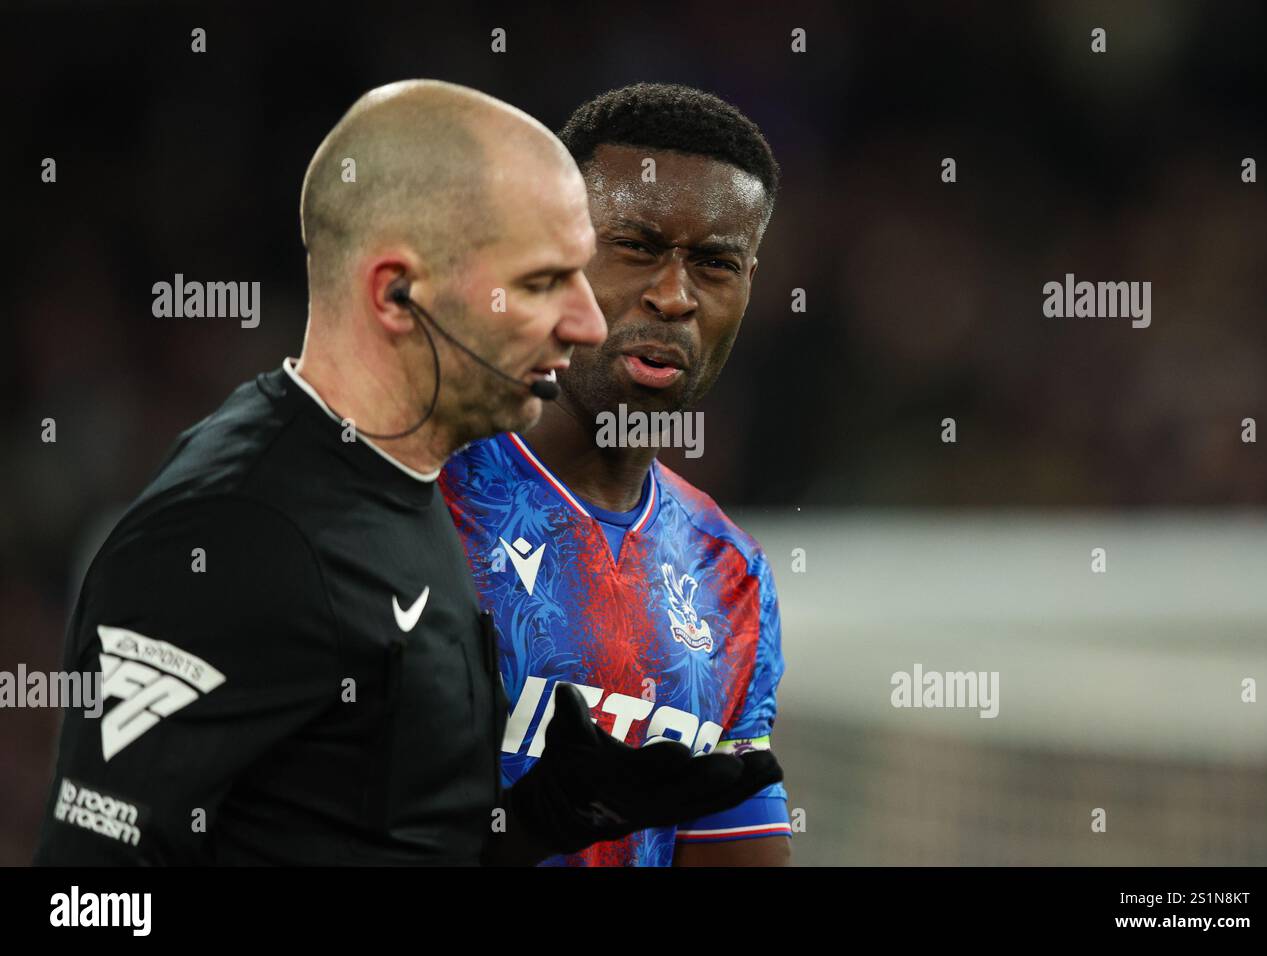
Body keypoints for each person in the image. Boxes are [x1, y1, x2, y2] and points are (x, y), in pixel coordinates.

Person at [34, 80, 780, 866]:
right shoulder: (232, 530)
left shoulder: (405, 490)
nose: (588, 319)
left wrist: (548, 816)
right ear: (397, 291)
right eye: (539, 282)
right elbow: (85, 899)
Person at [439, 83, 791, 866]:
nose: (673, 296)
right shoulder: (417, 493)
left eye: (714, 263)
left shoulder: (731, 575)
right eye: (634, 246)